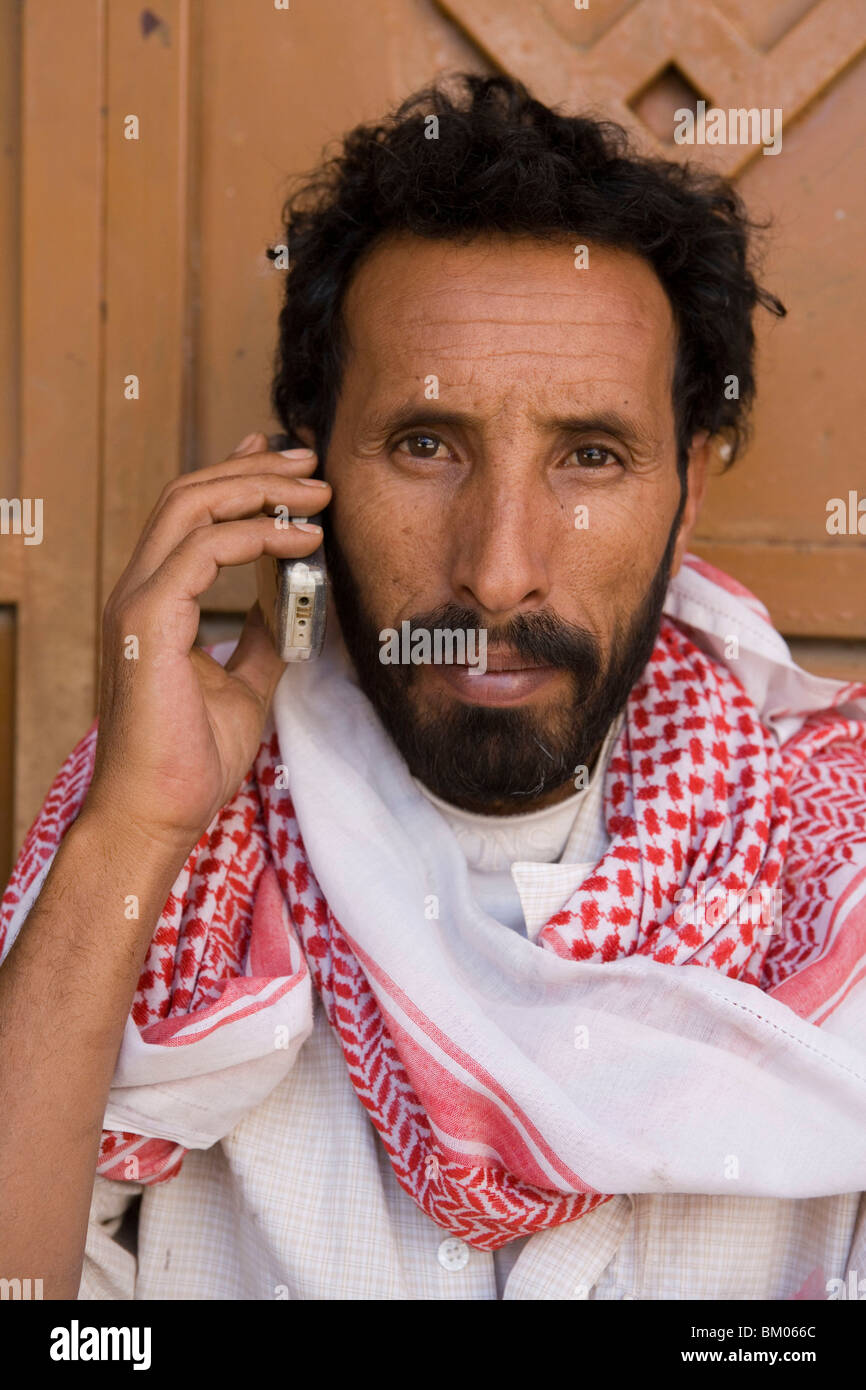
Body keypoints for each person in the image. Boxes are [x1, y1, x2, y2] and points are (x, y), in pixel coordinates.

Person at [2, 74, 865, 1302]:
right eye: (423, 445)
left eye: (589, 455)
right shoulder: (181, 847)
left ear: (690, 487)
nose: (498, 570)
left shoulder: (835, 869)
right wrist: (130, 836)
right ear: (302, 467)